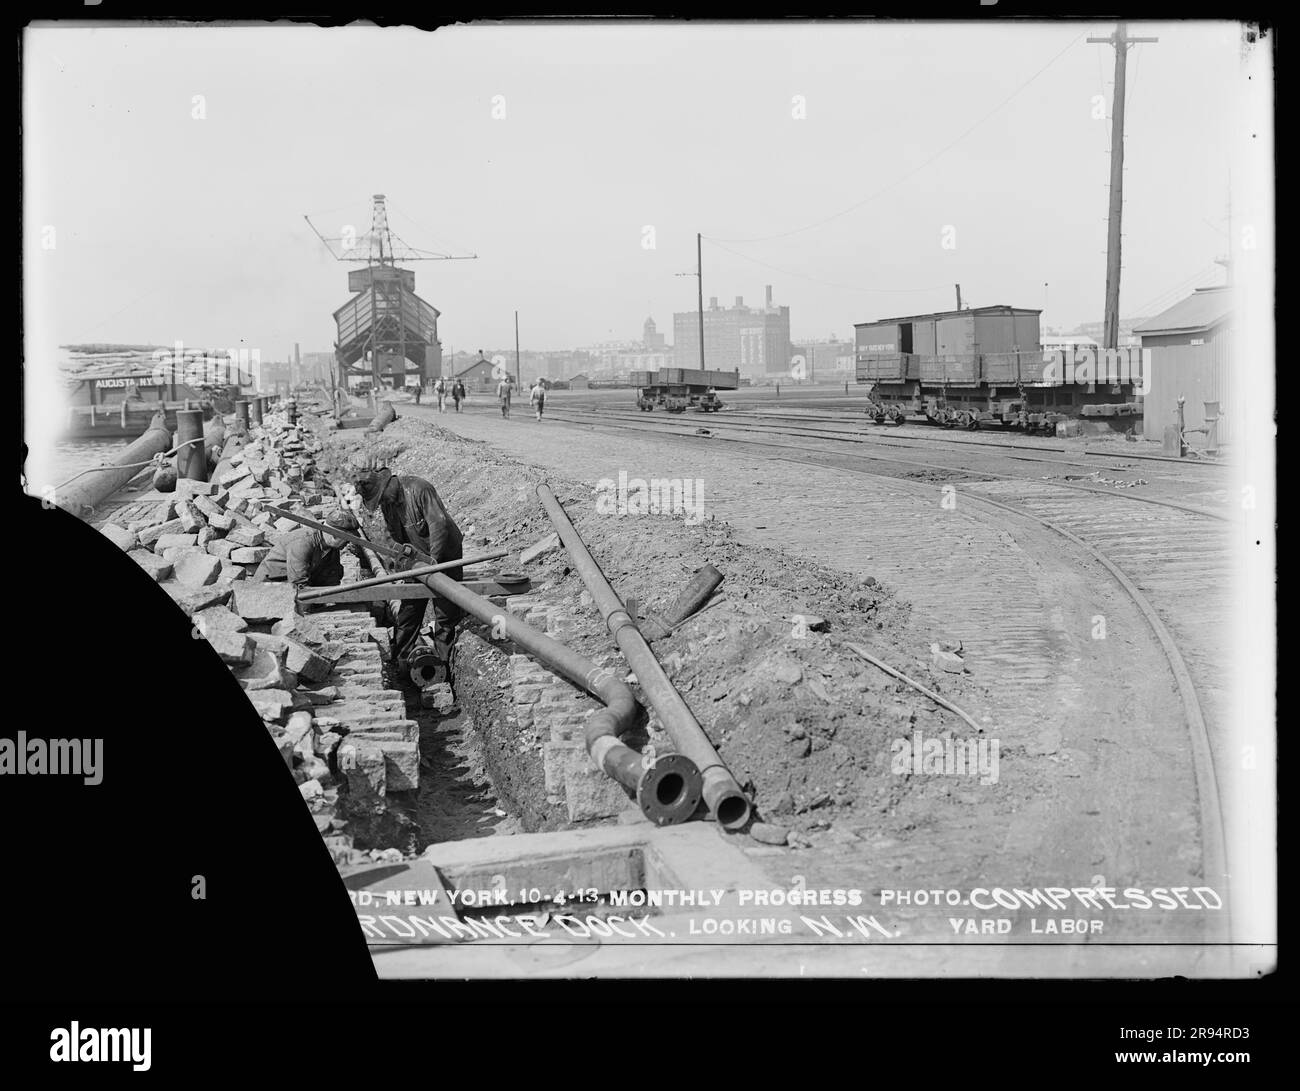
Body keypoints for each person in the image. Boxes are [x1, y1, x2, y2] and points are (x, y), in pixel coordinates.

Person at [351, 454, 464, 683]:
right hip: (418, 563)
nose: (383, 503)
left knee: (445, 614)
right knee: (408, 613)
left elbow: (438, 525)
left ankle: (442, 669)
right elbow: (395, 537)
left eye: (382, 497)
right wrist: (404, 561)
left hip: (445, 556)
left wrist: (433, 562)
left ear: (388, 484)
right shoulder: (389, 504)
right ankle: (401, 666)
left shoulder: (419, 488)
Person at [250, 508, 360, 590]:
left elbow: (332, 577)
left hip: (291, 586)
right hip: (268, 588)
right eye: (347, 539)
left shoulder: (332, 547)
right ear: (334, 535)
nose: (348, 543)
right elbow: (299, 585)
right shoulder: (302, 543)